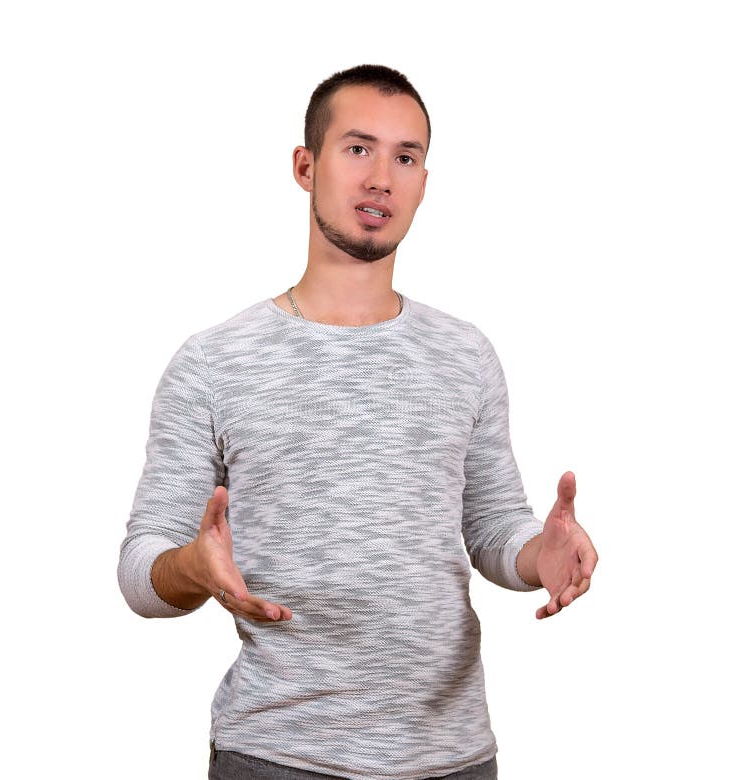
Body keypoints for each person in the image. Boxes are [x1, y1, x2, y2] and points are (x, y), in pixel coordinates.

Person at [117, 64, 598, 780]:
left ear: (424, 183)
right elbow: (138, 570)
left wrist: (541, 558)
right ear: (305, 166)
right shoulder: (214, 362)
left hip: (454, 757)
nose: (381, 178)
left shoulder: (465, 354)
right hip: (278, 755)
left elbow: (495, 529)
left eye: (405, 157)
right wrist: (192, 567)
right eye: (358, 148)